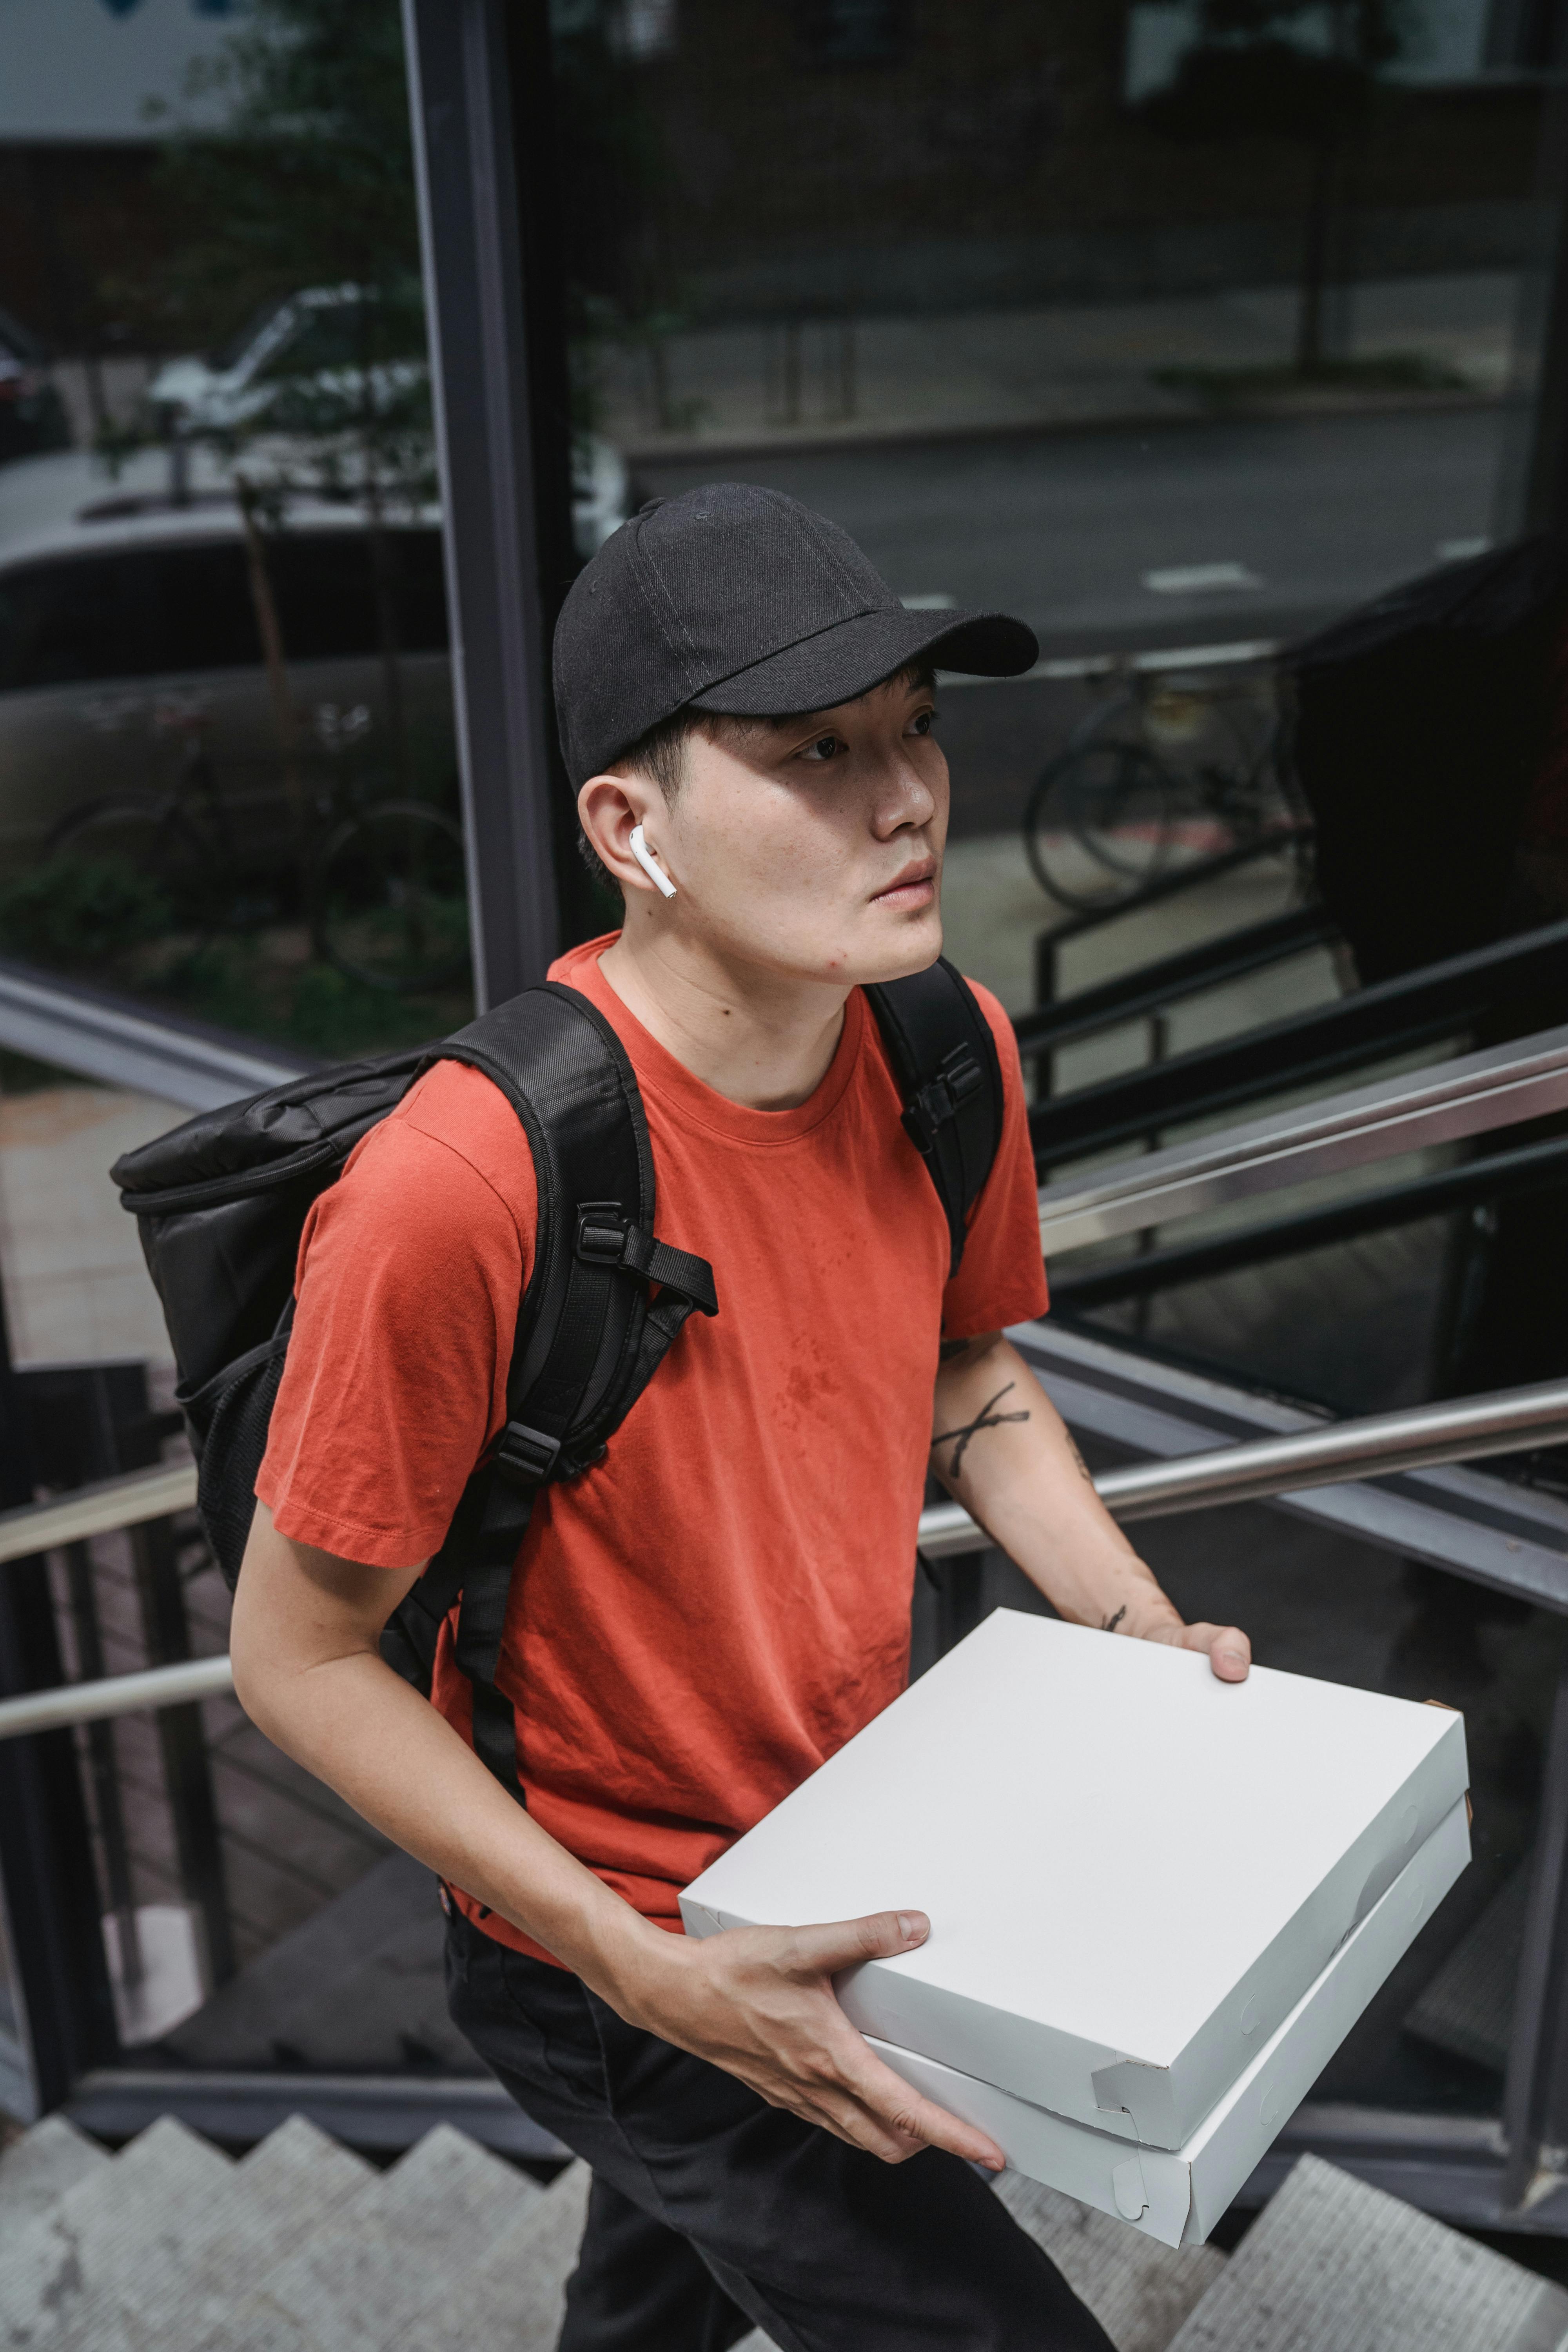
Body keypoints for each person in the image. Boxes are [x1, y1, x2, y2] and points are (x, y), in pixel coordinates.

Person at [232, 483, 1252, 2351]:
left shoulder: (941, 1048)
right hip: (613, 1944)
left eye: (914, 728)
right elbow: (295, 1659)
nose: (909, 797)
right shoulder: (459, 1189)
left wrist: (1138, 1631)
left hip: (854, 1835)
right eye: (815, 752)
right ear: (633, 829)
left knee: (652, 2300)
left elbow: (961, 1366)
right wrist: (643, 1972)